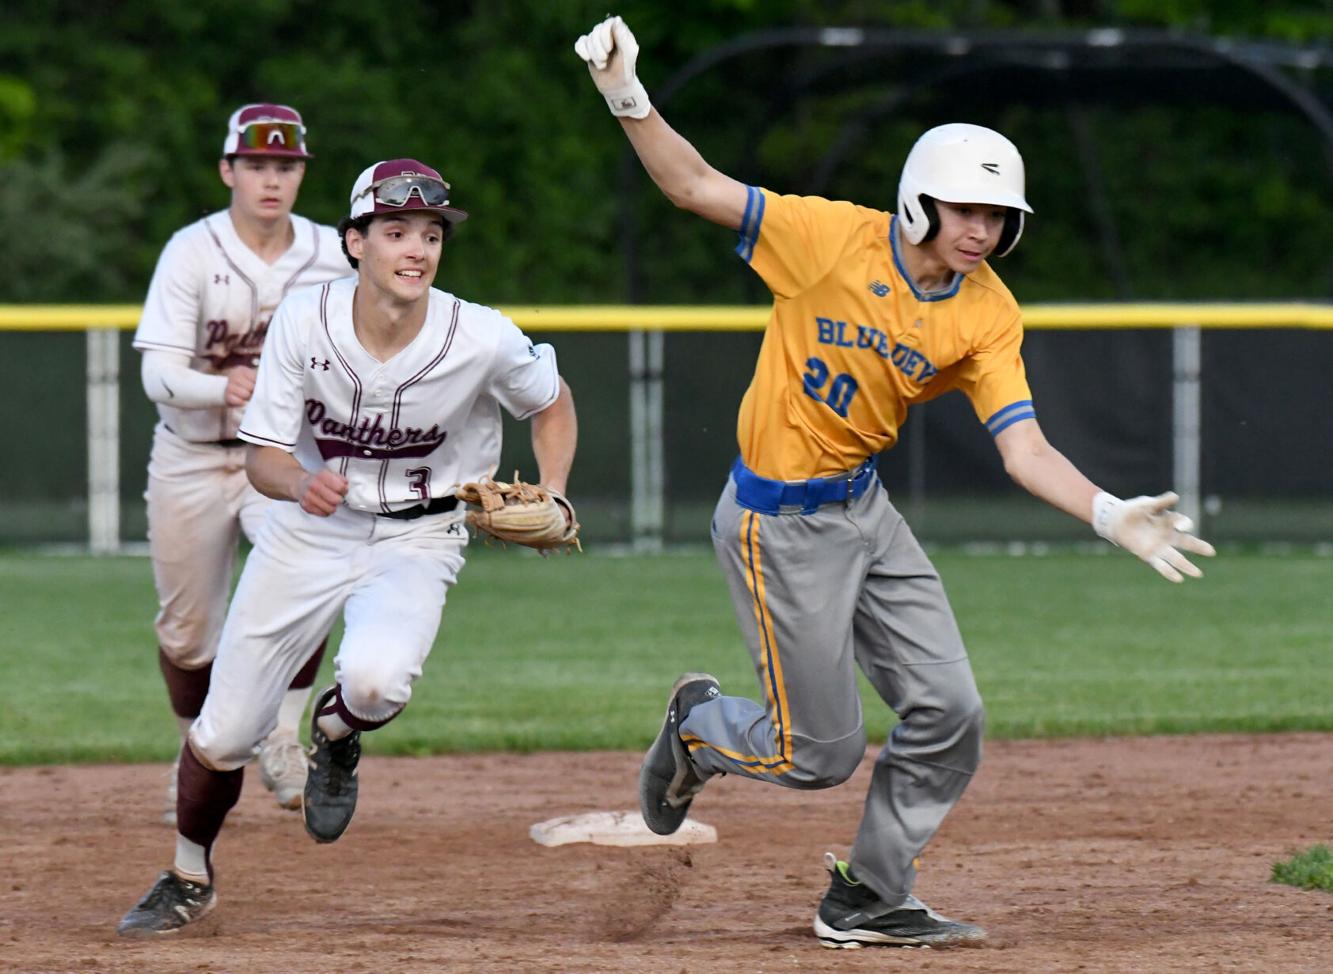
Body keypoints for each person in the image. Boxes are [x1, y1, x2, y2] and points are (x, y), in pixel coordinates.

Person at [575, 15, 1216, 950]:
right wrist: (624, 95)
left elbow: (1023, 448)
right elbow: (692, 186)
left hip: (864, 514)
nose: (982, 230)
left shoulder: (987, 312)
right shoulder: (830, 239)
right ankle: (696, 728)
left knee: (952, 713)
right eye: (965, 211)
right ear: (918, 202)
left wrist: (1110, 513)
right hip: (776, 525)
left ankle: (868, 894)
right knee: (818, 755)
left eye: (997, 217)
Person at [117, 157, 579, 937]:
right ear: (354, 243)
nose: (417, 249)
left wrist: (556, 490)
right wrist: (300, 486)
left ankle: (335, 732)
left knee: (374, 683)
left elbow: (552, 401)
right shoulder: (305, 319)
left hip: (420, 535)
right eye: (395, 231)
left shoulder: (477, 332)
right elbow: (262, 455)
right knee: (226, 733)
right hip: (307, 532)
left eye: (430, 234)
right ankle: (188, 874)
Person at [133, 103, 348, 823]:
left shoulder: (329, 252)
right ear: (228, 170)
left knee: (309, 580)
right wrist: (218, 385)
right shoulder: (191, 252)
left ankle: (283, 736)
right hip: (192, 455)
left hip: (283, 457)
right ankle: (194, 749)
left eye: (285, 166)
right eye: (256, 164)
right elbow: (157, 375)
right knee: (188, 636)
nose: (271, 179)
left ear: (300, 176)